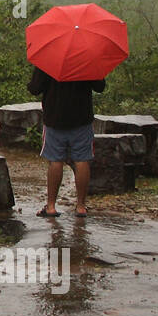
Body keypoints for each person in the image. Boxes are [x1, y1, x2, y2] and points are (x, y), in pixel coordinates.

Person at [27, 66, 106, 217]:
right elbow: (100, 86)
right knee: (82, 160)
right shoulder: (86, 59)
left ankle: (50, 206)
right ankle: (81, 206)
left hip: (54, 118)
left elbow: (35, 88)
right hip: (82, 118)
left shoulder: (48, 59)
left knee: (55, 161)